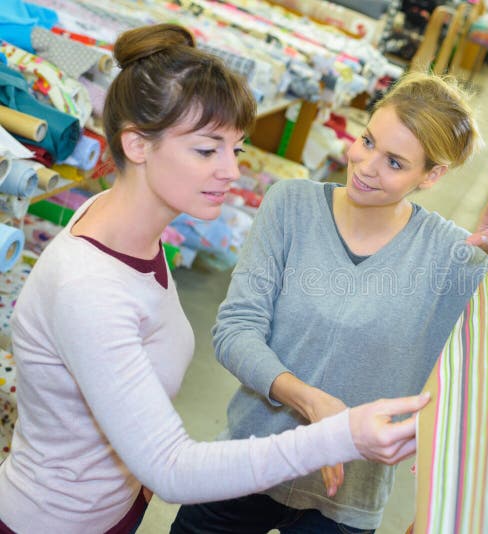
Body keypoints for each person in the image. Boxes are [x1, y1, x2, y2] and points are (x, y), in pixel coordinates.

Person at [0, 24, 431, 534]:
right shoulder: (88, 287)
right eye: (208, 151)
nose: (231, 170)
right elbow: (172, 468)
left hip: (111, 510)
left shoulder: (124, 227)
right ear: (137, 145)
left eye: (237, 149)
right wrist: (343, 435)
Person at [171, 72, 488, 533]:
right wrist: (313, 403)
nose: (365, 166)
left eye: (395, 163)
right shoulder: (290, 205)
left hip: (344, 502)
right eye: (367, 141)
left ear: (433, 175)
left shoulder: (451, 256)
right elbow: (235, 331)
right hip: (247, 462)